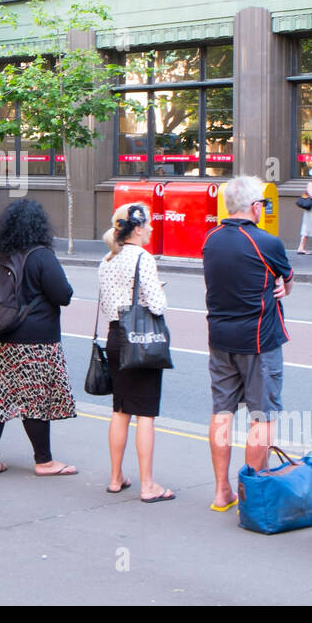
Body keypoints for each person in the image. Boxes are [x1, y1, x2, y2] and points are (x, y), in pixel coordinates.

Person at [202, 175, 294, 512]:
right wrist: (280, 286)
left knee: (221, 412)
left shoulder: (210, 240)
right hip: (259, 340)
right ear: (255, 207)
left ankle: (221, 490)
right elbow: (286, 279)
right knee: (262, 416)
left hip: (220, 338)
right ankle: (252, 494)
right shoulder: (267, 242)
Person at [0, 199, 78, 478]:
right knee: (35, 399)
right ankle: (44, 461)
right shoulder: (41, 255)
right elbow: (63, 295)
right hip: (36, 342)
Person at [99, 203, 174, 502]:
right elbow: (156, 305)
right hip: (140, 340)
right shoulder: (143, 258)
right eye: (149, 224)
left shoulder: (107, 258)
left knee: (120, 410)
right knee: (145, 414)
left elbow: (107, 304)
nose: (152, 229)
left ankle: (116, 477)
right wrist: (159, 289)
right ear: (138, 228)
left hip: (115, 337)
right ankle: (148, 485)